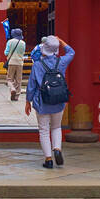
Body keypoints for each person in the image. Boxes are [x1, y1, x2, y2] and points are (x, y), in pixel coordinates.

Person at [25, 34, 74, 168]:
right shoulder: (62, 62)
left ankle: (48, 159)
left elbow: (31, 85)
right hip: (58, 100)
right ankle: (57, 149)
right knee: (56, 127)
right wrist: (61, 41)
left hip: (42, 100)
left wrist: (28, 101)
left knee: (44, 130)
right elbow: (72, 52)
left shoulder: (37, 65)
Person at [4, 28, 26, 100]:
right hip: (20, 63)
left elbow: (6, 53)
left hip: (11, 62)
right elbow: (23, 53)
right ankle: (16, 96)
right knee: (18, 80)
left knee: (9, 79)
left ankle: (12, 88)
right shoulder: (23, 43)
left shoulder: (10, 42)